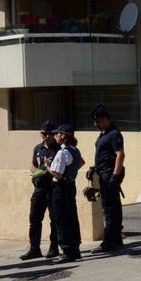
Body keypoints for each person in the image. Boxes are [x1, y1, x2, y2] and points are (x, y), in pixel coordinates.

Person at [20, 120, 60, 260]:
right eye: (44, 133)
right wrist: (36, 171)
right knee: (34, 217)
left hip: (53, 187)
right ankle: (34, 248)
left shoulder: (59, 148)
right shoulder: (38, 148)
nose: (47, 136)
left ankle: (54, 247)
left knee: (54, 219)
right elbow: (32, 164)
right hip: (39, 187)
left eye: (50, 133)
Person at [48, 124, 85, 263]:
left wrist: (47, 167)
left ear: (63, 136)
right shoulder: (75, 150)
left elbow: (57, 174)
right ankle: (75, 249)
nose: (55, 136)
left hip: (61, 187)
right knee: (71, 217)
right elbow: (81, 162)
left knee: (61, 218)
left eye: (57, 134)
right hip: (70, 185)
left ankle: (67, 251)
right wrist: (71, 170)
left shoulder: (62, 152)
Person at [91, 104, 126, 253]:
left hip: (109, 173)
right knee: (114, 207)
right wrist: (94, 167)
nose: (95, 124)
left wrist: (115, 175)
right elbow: (103, 155)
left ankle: (109, 241)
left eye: (97, 121)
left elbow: (120, 154)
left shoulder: (114, 134)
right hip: (103, 172)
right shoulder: (104, 133)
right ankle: (116, 237)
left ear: (105, 119)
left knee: (109, 208)